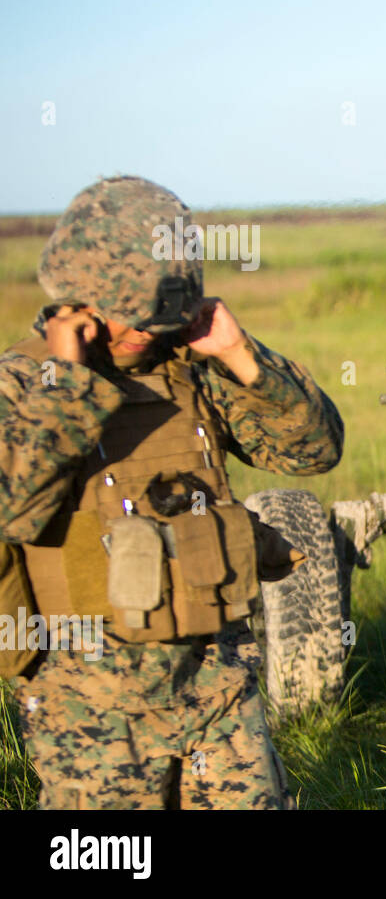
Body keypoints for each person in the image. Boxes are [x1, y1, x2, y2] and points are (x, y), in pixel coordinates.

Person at [0, 175, 344, 809]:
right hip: (91, 711)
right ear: (76, 295)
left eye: (155, 314)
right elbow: (12, 507)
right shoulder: (25, 383)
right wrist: (72, 385)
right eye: (125, 312)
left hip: (216, 685)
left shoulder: (188, 372)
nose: (141, 331)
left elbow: (313, 451)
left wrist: (241, 356)